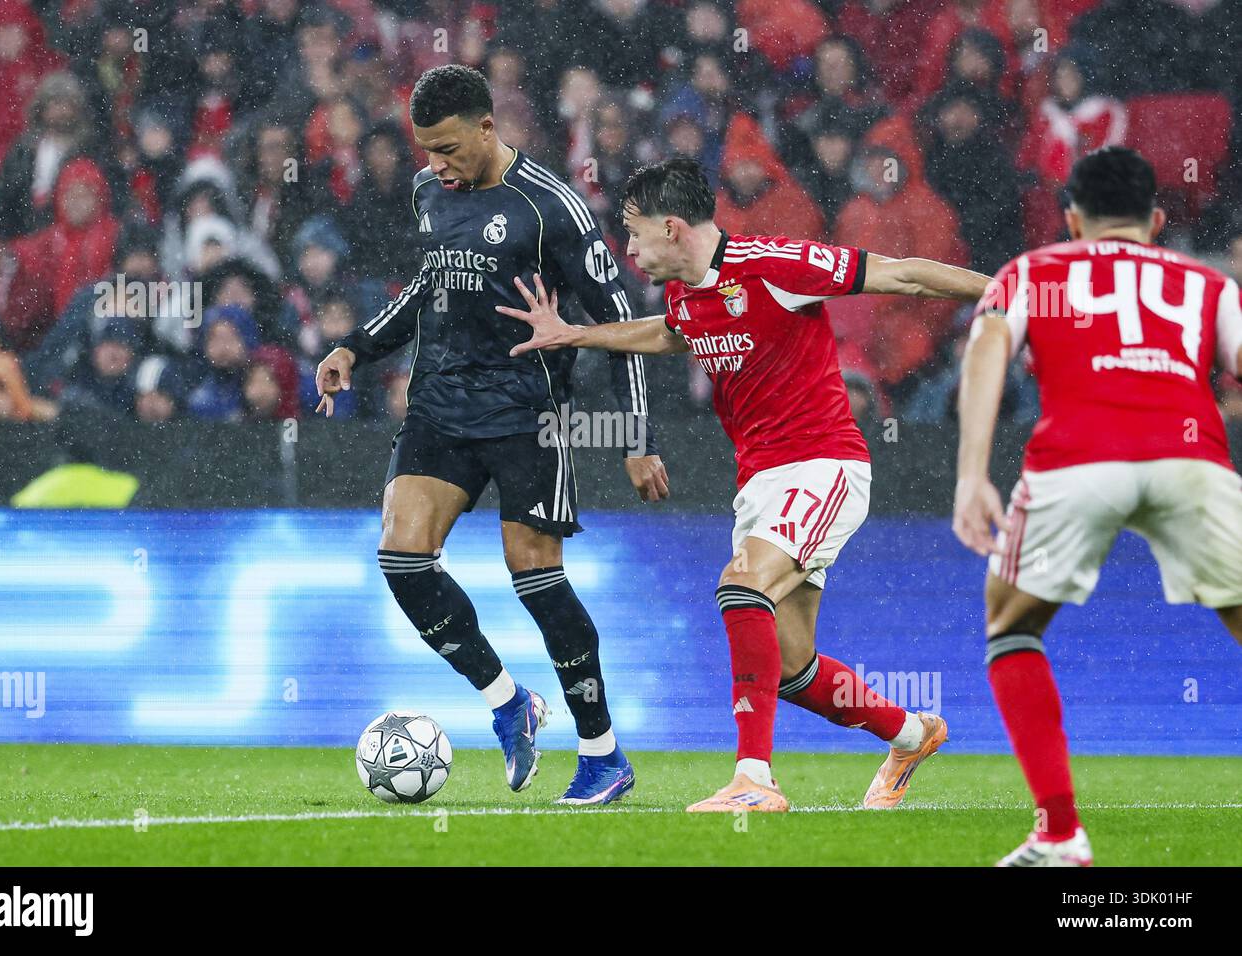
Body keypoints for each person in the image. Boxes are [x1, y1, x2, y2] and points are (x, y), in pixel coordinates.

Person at [501, 157, 990, 811]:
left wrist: (1012, 291)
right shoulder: (682, 293)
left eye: (636, 234)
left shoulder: (776, 264)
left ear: (673, 227)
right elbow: (673, 335)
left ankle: (754, 781)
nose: (630, 250)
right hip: (759, 482)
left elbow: (902, 274)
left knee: (741, 586)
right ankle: (911, 733)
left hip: (823, 465)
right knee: (791, 669)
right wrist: (578, 335)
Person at [313, 65, 667, 805]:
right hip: (439, 404)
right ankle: (508, 701)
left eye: (447, 148)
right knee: (403, 557)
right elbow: (428, 285)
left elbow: (625, 320)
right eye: (426, 152)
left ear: (487, 126)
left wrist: (637, 435)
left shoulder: (553, 209)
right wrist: (356, 347)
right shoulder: (428, 193)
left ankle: (602, 754)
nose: (435, 165)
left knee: (533, 575)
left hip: (524, 412)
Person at [954, 146, 1242, 866]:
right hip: (1192, 459)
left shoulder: (1037, 271)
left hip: (1077, 459)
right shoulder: (1210, 282)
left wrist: (971, 473)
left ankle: (1059, 835)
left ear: (1071, 219)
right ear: (1158, 219)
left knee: (1011, 625)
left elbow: (989, 346)